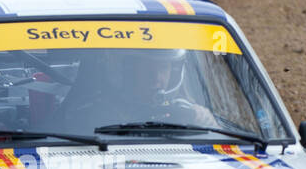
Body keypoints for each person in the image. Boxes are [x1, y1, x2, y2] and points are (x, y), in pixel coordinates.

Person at [53, 48, 220, 131]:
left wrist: (203, 122)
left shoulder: (185, 112)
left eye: (163, 68)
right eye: (147, 69)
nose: (156, 77)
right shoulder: (92, 116)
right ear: (127, 72)